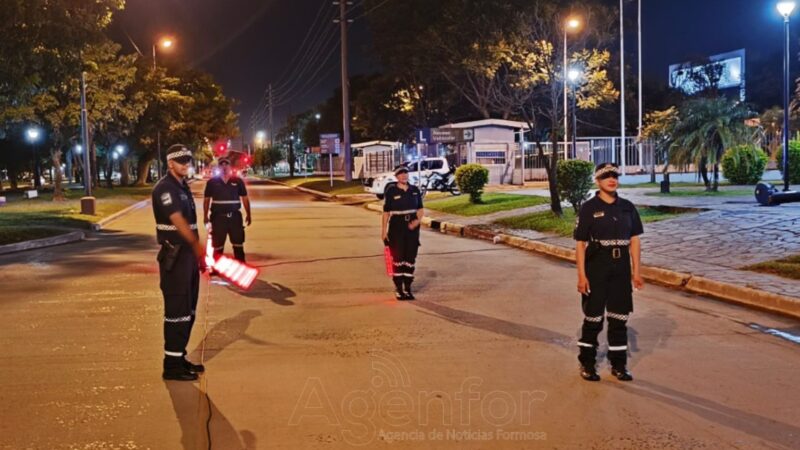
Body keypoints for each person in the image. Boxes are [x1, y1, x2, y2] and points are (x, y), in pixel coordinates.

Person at [573, 162, 644, 382]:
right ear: (598, 181)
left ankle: (619, 365)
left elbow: (634, 240)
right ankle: (587, 363)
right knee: (593, 318)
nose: (611, 180)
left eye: (614, 176)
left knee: (619, 318)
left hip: (621, 267)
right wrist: (582, 276)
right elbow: (580, 244)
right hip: (597, 266)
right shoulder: (588, 208)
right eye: (606, 176)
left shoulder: (627, 207)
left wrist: (636, 272)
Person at [151, 144, 207, 381]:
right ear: (170, 163)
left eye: (188, 160)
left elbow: (190, 223)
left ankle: (178, 356)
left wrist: (197, 255)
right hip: (175, 258)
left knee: (188, 310)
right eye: (181, 161)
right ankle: (172, 366)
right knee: (177, 311)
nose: (186, 164)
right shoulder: (165, 188)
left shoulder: (182, 186)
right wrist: (196, 245)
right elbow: (176, 219)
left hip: (187, 258)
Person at [381, 166, 424, 300]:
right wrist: (383, 231)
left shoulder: (414, 190)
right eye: (400, 174)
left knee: (410, 257)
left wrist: (417, 221)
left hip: (412, 228)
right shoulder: (391, 191)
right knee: (398, 257)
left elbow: (420, 209)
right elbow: (386, 212)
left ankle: (408, 288)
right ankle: (399, 288)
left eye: (406, 173)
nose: (404, 176)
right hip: (397, 227)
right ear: (396, 177)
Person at [203, 156, 251, 262]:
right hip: (218, 218)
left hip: (235, 218)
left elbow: (245, 198)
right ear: (218, 167)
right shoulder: (212, 182)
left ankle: (241, 266)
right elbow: (206, 200)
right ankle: (217, 269)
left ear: (230, 167)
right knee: (218, 247)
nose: (224, 167)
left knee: (238, 245)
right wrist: (205, 216)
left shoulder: (238, 181)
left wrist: (249, 214)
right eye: (221, 165)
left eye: (226, 164)